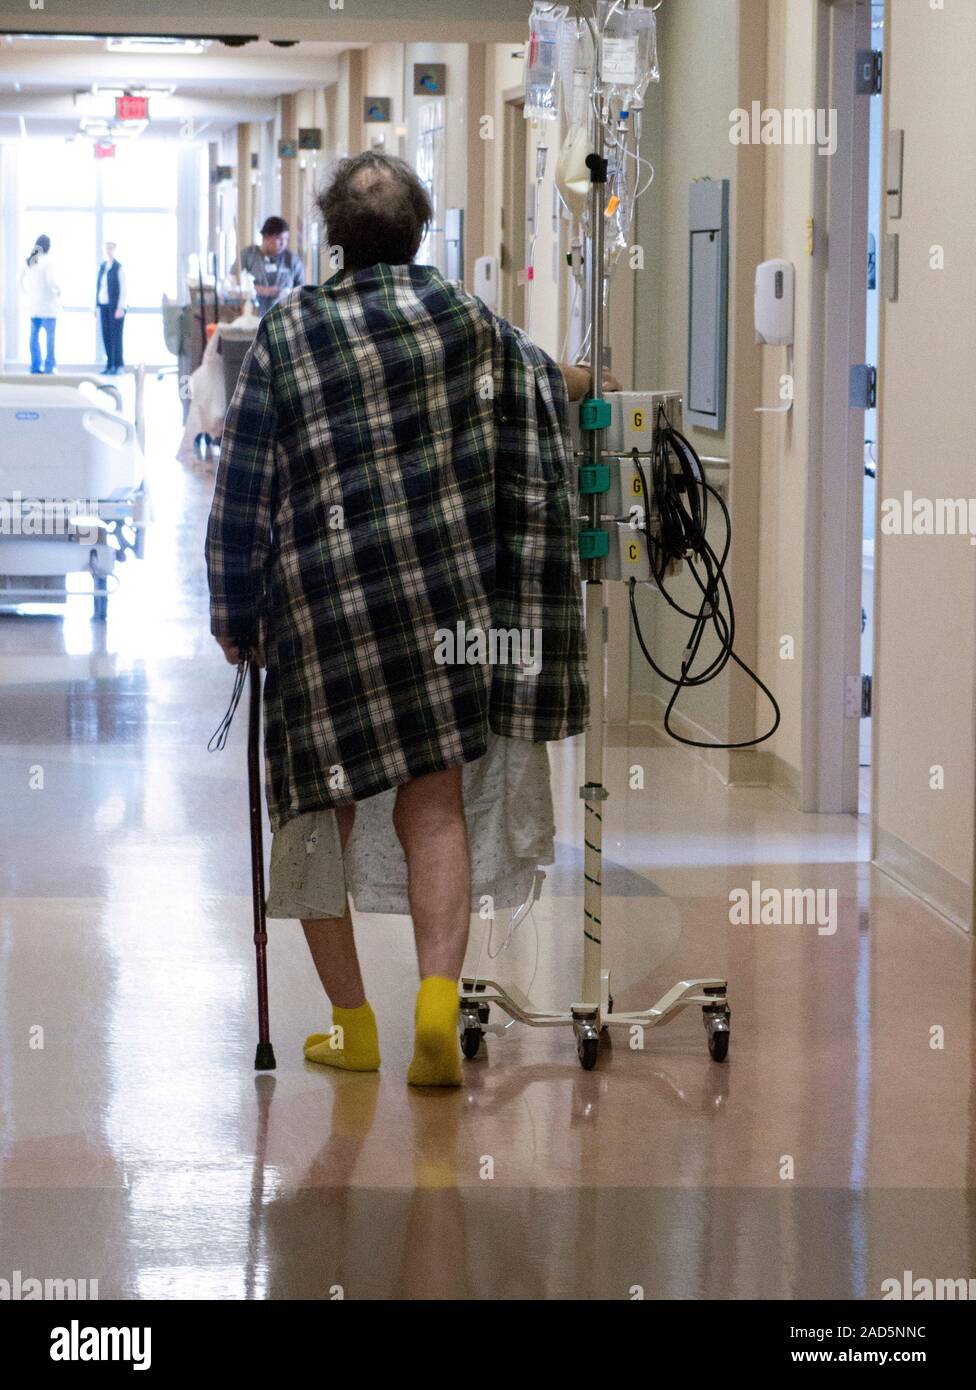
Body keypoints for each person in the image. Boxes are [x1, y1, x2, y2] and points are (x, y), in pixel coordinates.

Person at [206, 153, 613, 1088]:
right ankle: (437, 1004)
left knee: (317, 819)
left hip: (322, 615)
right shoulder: (468, 323)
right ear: (420, 233)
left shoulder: (292, 330)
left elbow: (244, 484)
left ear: (332, 238)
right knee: (434, 807)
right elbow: (544, 385)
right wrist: (591, 377)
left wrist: (232, 607)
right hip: (445, 612)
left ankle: (354, 1029)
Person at [239, 216, 304, 316]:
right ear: (266, 237)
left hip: (283, 316)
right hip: (252, 316)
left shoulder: (292, 261)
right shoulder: (248, 256)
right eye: (279, 239)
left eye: (286, 239)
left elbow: (301, 291)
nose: (283, 243)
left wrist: (287, 293)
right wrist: (259, 290)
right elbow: (234, 284)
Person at [20, 235, 61, 374]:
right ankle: (49, 366)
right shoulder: (47, 262)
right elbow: (51, 282)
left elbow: (20, 281)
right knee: (50, 338)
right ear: (48, 246)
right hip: (48, 307)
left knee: (34, 337)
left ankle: (35, 366)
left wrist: (28, 294)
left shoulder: (30, 261)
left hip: (34, 307)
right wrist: (59, 291)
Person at [95, 242, 127, 375]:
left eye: (111, 249)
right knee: (106, 336)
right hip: (103, 305)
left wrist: (120, 307)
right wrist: (96, 305)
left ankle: (118, 365)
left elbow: (123, 289)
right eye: (107, 249)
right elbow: (99, 287)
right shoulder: (103, 267)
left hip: (116, 307)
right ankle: (109, 365)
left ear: (115, 250)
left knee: (116, 337)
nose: (108, 251)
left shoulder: (119, 268)